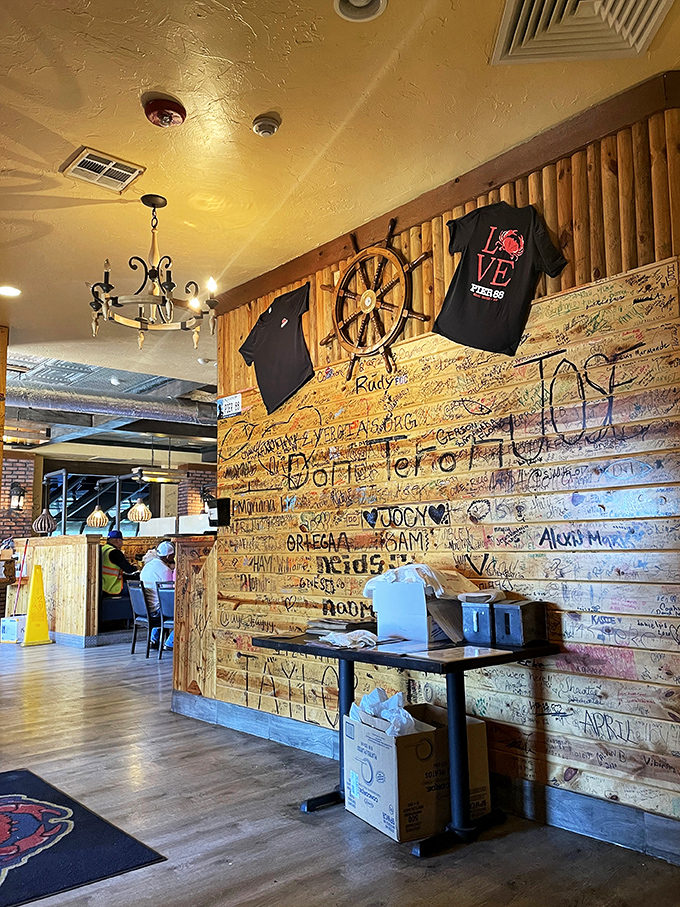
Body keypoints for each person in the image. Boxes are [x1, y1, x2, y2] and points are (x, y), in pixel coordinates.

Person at [140, 540, 175, 649]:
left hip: (144, 608)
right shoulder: (165, 570)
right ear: (169, 556)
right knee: (185, 614)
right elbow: (168, 596)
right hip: (156, 611)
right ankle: (170, 643)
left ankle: (153, 639)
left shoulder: (147, 566)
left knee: (160, 606)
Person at [101, 530, 139, 597]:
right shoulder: (115, 552)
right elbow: (128, 569)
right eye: (122, 541)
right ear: (118, 540)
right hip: (113, 586)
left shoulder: (103, 549)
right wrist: (136, 567)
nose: (122, 544)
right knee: (138, 589)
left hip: (102, 585)